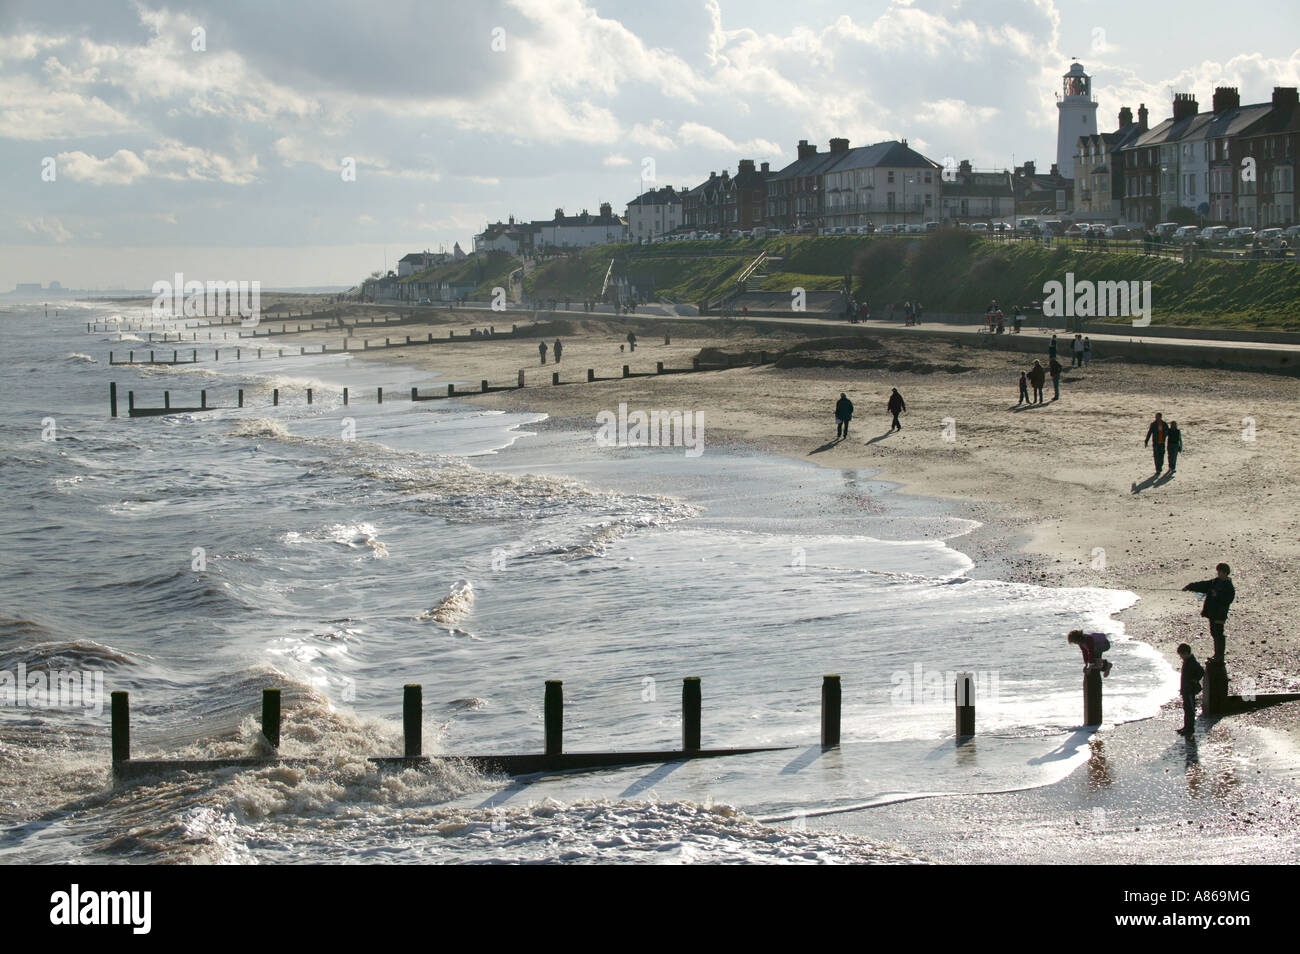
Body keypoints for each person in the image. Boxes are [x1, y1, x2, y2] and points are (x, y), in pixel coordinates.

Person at [1183, 563, 1235, 662]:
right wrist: (1190, 586)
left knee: (1218, 634)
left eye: (1220, 572)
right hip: (1212, 614)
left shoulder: (1228, 586)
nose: (1218, 573)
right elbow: (1203, 585)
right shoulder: (1215, 582)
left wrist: (1217, 595)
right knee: (1214, 633)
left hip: (1220, 615)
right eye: (1218, 571)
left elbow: (1228, 599)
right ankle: (1217, 655)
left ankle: (1219, 656)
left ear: (1225, 573)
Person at [1176, 643, 1205, 738]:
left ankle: (1190, 729)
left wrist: (1195, 680)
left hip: (1189, 690)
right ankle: (1186, 727)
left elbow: (1201, 672)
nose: (1181, 657)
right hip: (1186, 689)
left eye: (1181, 654)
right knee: (1186, 708)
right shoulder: (1187, 661)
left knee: (1190, 710)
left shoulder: (1192, 662)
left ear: (1186, 653)